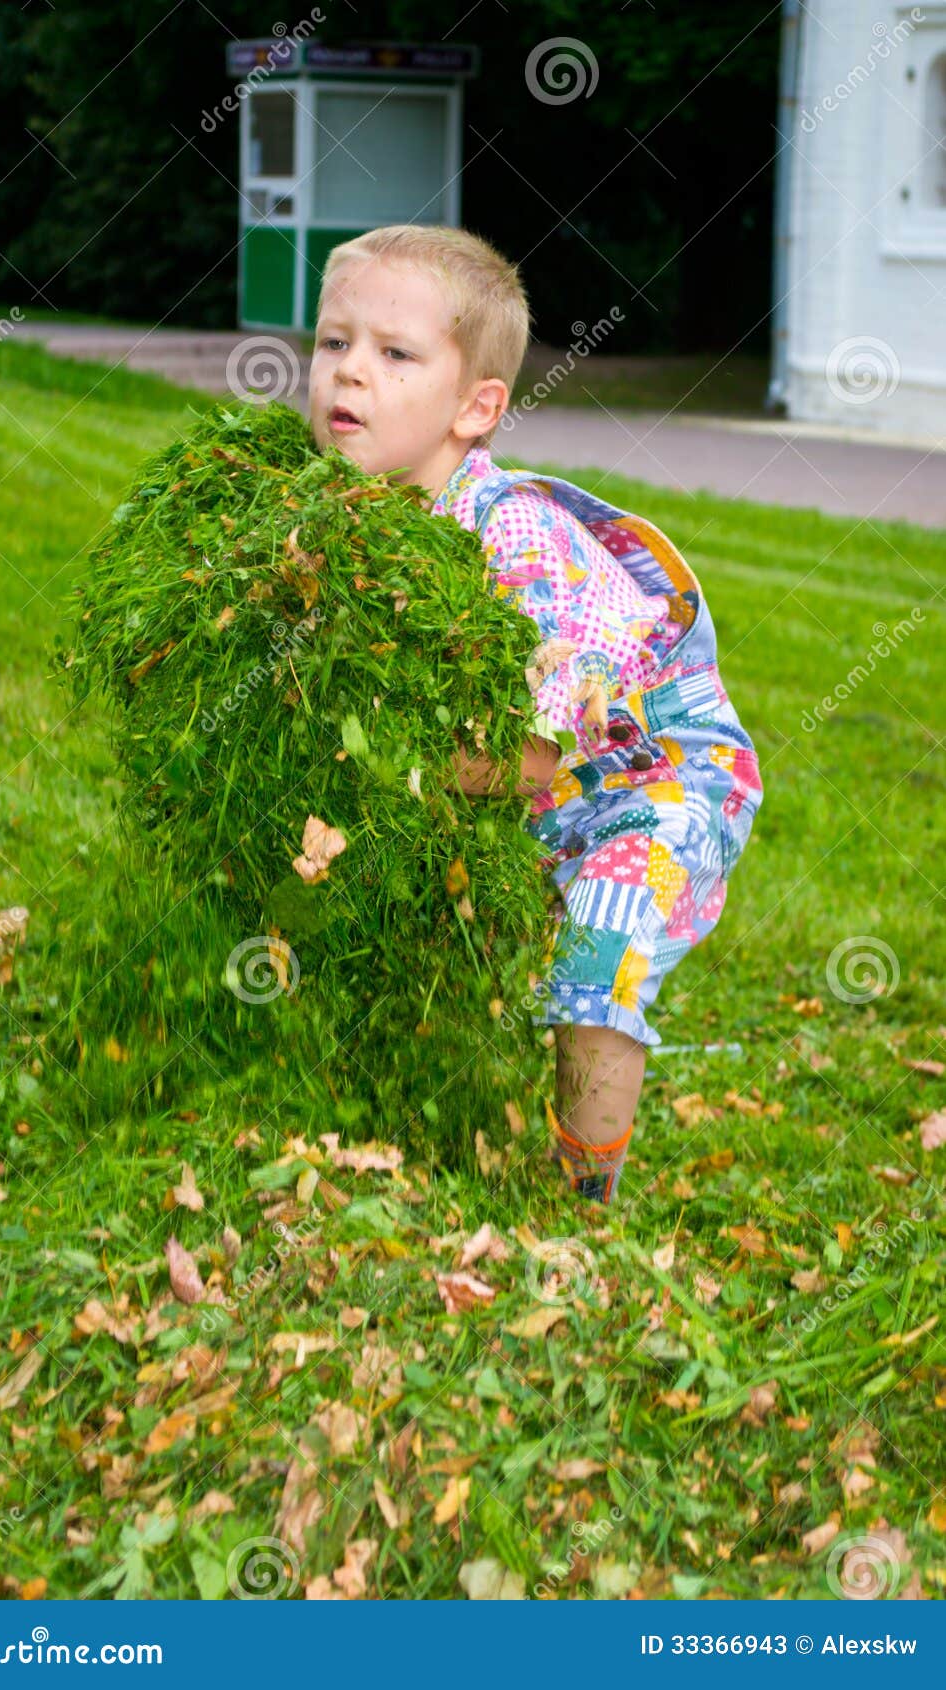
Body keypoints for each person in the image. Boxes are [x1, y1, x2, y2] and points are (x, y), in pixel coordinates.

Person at [307, 224, 762, 1208]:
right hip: (529, 799)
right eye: (332, 342)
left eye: (392, 354)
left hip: (654, 784)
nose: (348, 374)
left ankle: (579, 1212)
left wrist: (376, 785)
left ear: (477, 407)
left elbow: (522, 758)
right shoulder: (355, 528)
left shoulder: (516, 540)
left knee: (593, 968)